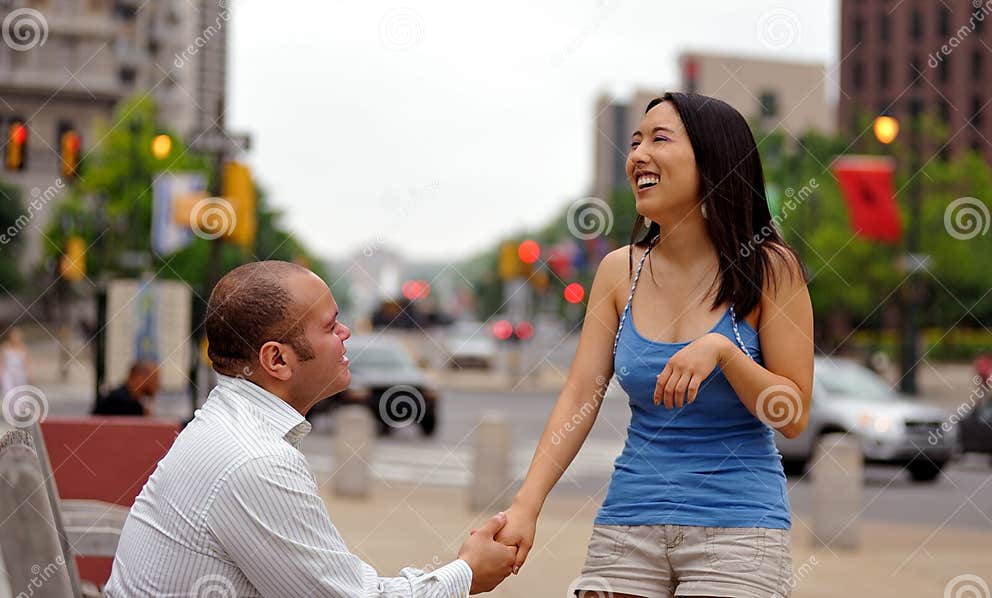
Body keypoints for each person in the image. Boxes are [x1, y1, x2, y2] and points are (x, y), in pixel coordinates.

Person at [496, 93, 814, 598]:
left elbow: (792, 416)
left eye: (659, 139)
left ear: (712, 159)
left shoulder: (770, 269)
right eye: (634, 142)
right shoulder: (618, 271)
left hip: (738, 531)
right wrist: (525, 507)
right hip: (628, 521)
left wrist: (724, 352)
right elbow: (579, 395)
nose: (638, 155)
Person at [104, 261, 516, 597]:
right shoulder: (256, 460)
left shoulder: (225, 422)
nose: (346, 332)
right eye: (330, 325)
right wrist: (467, 574)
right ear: (277, 360)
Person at [92, 361, 160, 416]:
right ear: (139, 378)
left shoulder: (133, 403)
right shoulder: (118, 401)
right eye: (154, 380)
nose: (157, 385)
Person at [0, 325, 30, 396]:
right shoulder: (5, 346)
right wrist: (1, 373)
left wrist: (29, 372)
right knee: (8, 391)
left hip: (20, 372)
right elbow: (2, 361)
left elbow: (27, 361)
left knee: (20, 393)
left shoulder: (23, 347)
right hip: (8, 372)